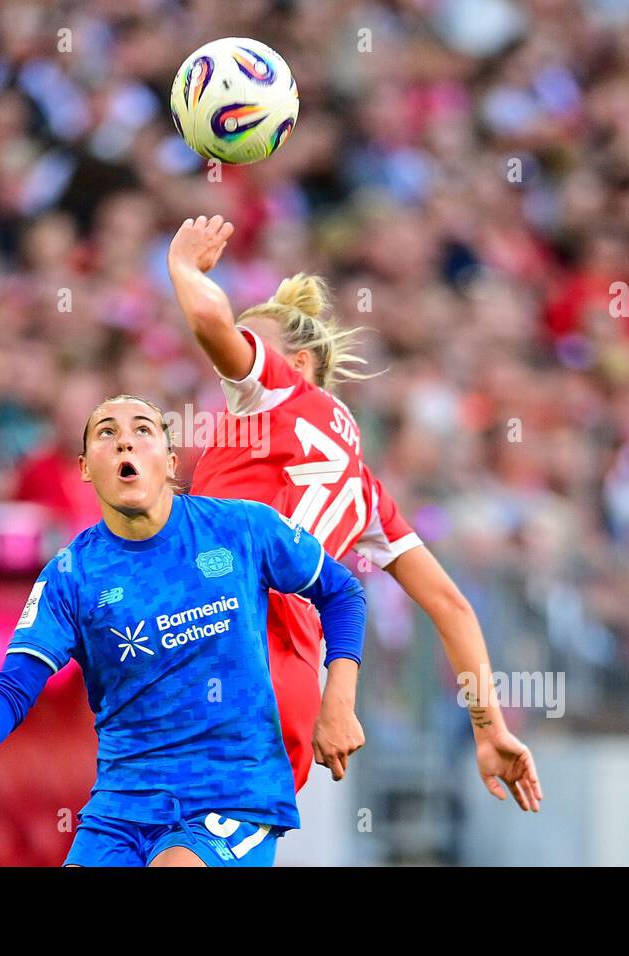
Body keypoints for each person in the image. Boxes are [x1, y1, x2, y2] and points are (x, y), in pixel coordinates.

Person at [167, 215, 542, 811]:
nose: (239, 358)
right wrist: (488, 726)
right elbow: (452, 606)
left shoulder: (277, 392)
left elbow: (208, 317)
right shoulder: (365, 491)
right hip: (291, 682)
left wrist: (183, 265)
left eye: (254, 341)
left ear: (299, 362)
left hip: (216, 637)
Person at [0, 395, 367, 866]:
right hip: (121, 809)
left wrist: (339, 701)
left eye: (143, 429)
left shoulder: (240, 527)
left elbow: (342, 593)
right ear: (86, 468)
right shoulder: (72, 574)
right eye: (107, 432)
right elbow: (16, 680)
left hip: (231, 793)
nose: (125, 440)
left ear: (169, 462)